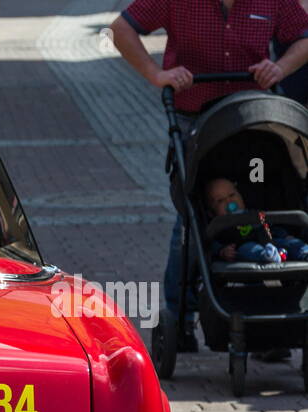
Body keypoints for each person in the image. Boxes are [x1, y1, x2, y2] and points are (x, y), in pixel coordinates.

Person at [111, 0, 308, 356]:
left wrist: (279, 68)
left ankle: (269, 316)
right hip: (196, 124)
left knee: (261, 208)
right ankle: (181, 317)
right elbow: (122, 29)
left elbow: (305, 38)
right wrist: (158, 75)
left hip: (253, 124)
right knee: (193, 217)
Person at [206, 177, 308, 262]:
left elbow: (270, 227)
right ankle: (267, 256)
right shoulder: (219, 224)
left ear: (241, 196)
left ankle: (304, 253)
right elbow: (212, 243)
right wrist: (221, 251)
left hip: (270, 241)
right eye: (220, 201)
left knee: (290, 243)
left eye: (232, 195)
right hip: (242, 246)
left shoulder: (253, 213)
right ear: (211, 212)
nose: (229, 201)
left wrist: (285, 235)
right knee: (248, 249)